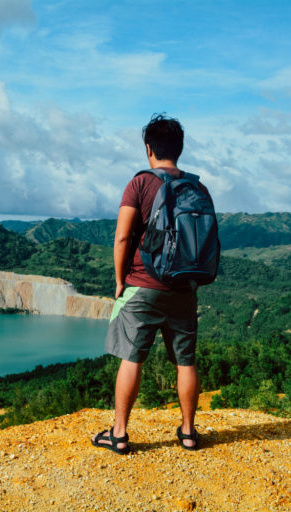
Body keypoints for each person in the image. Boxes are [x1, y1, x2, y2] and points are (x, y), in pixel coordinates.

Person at [91, 114, 207, 454]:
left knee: (132, 358)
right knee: (185, 361)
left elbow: (122, 237)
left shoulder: (140, 183)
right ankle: (188, 433)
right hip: (184, 287)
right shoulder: (196, 188)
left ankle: (119, 434)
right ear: (179, 148)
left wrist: (119, 281)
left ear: (148, 149)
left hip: (142, 284)